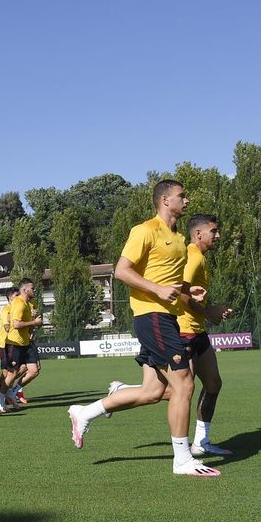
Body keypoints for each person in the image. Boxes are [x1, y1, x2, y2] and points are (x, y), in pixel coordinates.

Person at [67, 180, 219, 476]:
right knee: (185, 384)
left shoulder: (177, 239)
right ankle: (183, 459)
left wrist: (190, 292)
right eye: (181, 196)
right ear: (165, 200)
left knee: (152, 391)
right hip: (151, 316)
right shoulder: (144, 230)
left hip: (168, 317)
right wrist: (158, 290)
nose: (186, 201)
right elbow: (121, 271)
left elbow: (173, 283)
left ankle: (85, 411)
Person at [108, 214, 235, 456]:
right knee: (177, 389)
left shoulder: (198, 256)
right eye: (214, 231)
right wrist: (209, 312)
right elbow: (182, 295)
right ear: (199, 234)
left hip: (197, 330)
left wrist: (211, 310)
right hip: (184, 328)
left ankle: (201, 442)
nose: (218, 236)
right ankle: (121, 393)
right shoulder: (191, 256)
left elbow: (187, 291)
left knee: (211, 384)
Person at [0, 278, 42, 412]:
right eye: (32, 288)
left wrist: (35, 324)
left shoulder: (29, 304)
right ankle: (0, 400)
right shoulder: (19, 304)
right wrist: (33, 323)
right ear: (25, 290)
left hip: (26, 342)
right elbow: (16, 324)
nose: (34, 290)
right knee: (11, 374)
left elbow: (33, 323)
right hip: (14, 343)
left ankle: (14, 391)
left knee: (34, 370)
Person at [0, 288, 18, 410]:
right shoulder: (6, 309)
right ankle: (0, 396)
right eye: (16, 295)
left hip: (15, 344)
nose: (18, 297)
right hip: (5, 344)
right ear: (10, 298)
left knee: (18, 369)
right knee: (7, 372)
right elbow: (8, 327)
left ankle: (5, 393)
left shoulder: (16, 308)